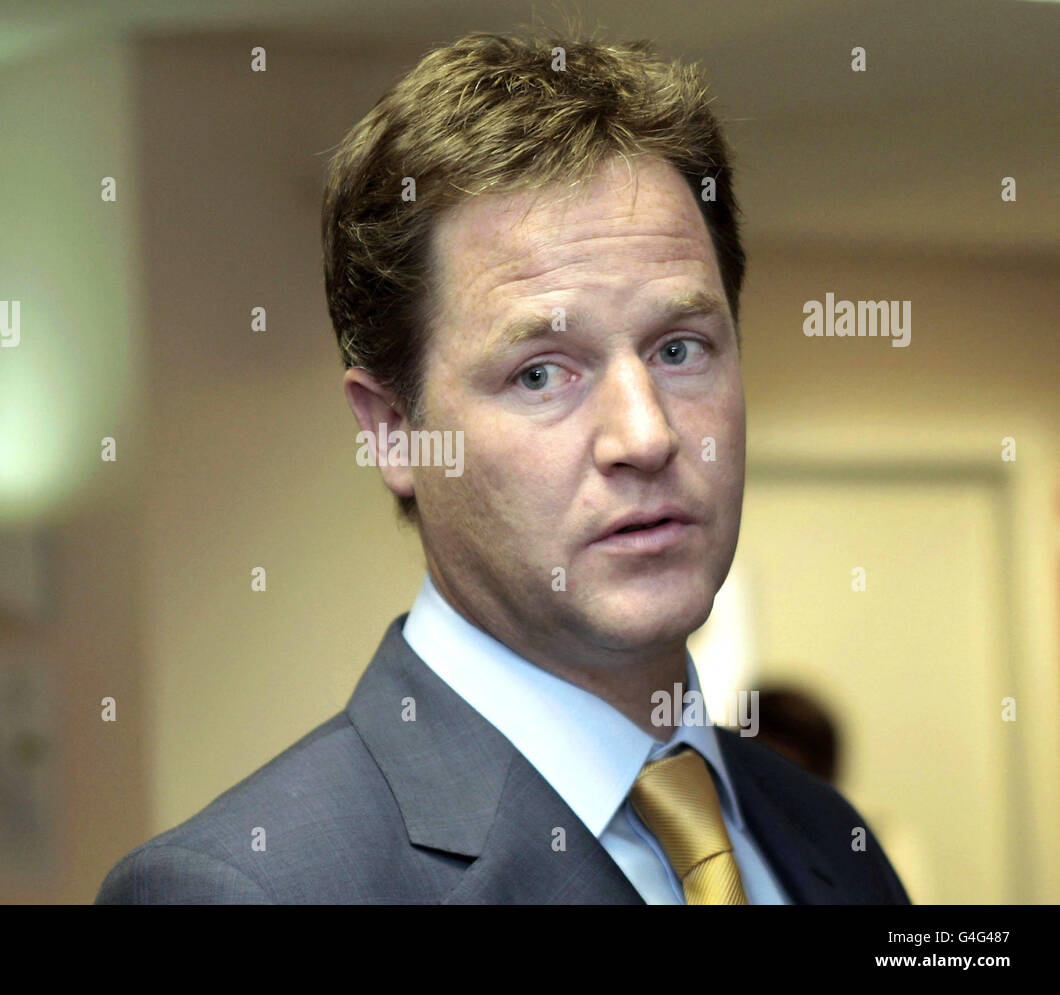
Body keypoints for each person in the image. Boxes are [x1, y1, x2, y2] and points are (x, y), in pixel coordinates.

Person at [96, 29, 910, 904]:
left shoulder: (829, 841)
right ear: (392, 432)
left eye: (680, 348)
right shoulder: (249, 889)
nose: (645, 435)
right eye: (540, 372)